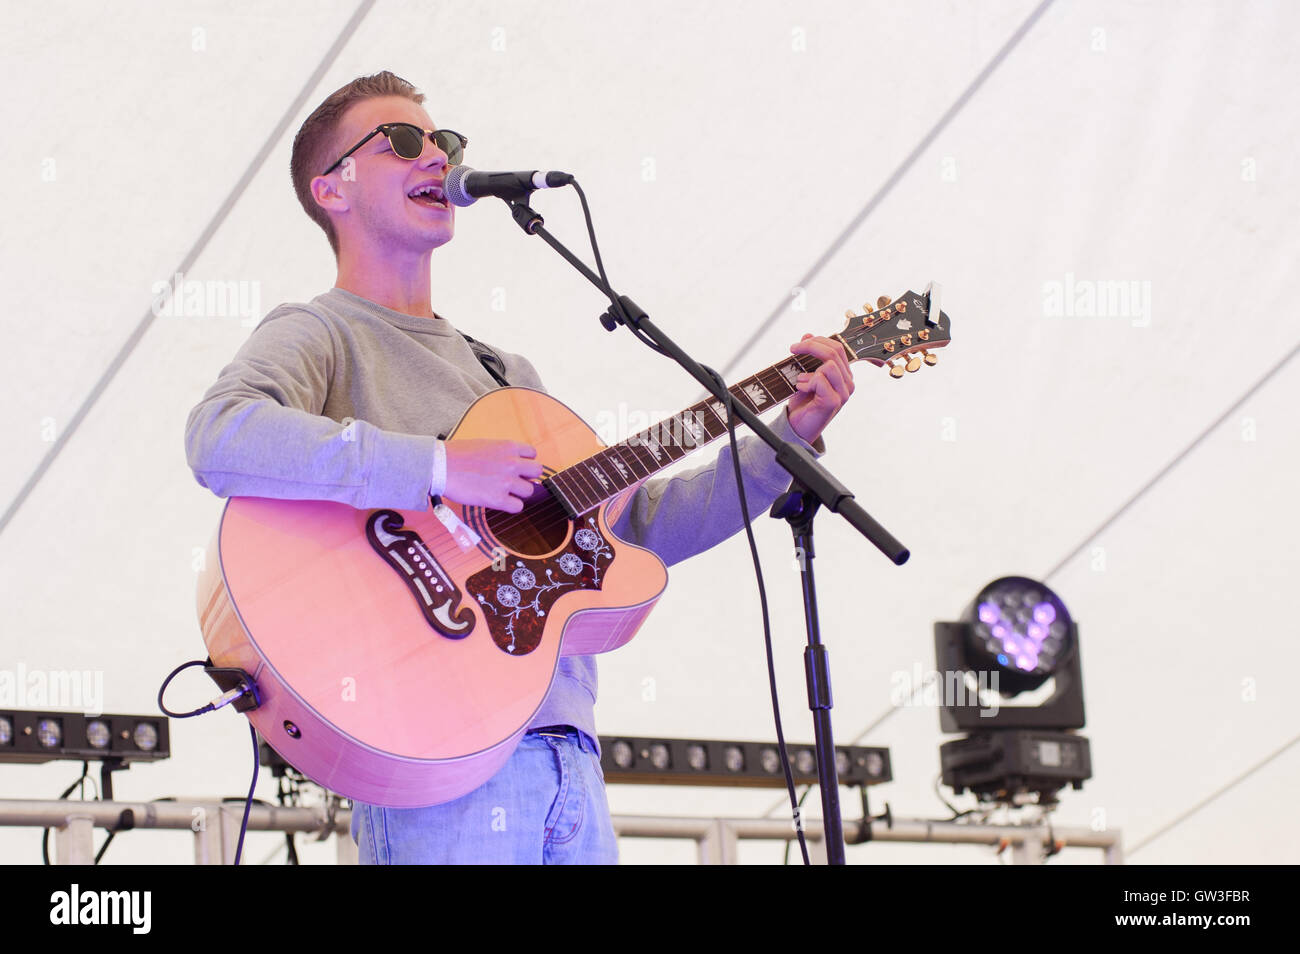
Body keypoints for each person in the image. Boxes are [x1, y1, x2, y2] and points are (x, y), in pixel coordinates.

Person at [184, 71, 856, 864]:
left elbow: (635, 531)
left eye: (445, 142)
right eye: (402, 141)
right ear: (332, 189)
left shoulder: (506, 373)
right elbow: (221, 434)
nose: (435, 156)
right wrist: (437, 467)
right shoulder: (321, 331)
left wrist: (789, 439)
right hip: (438, 754)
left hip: (569, 755)